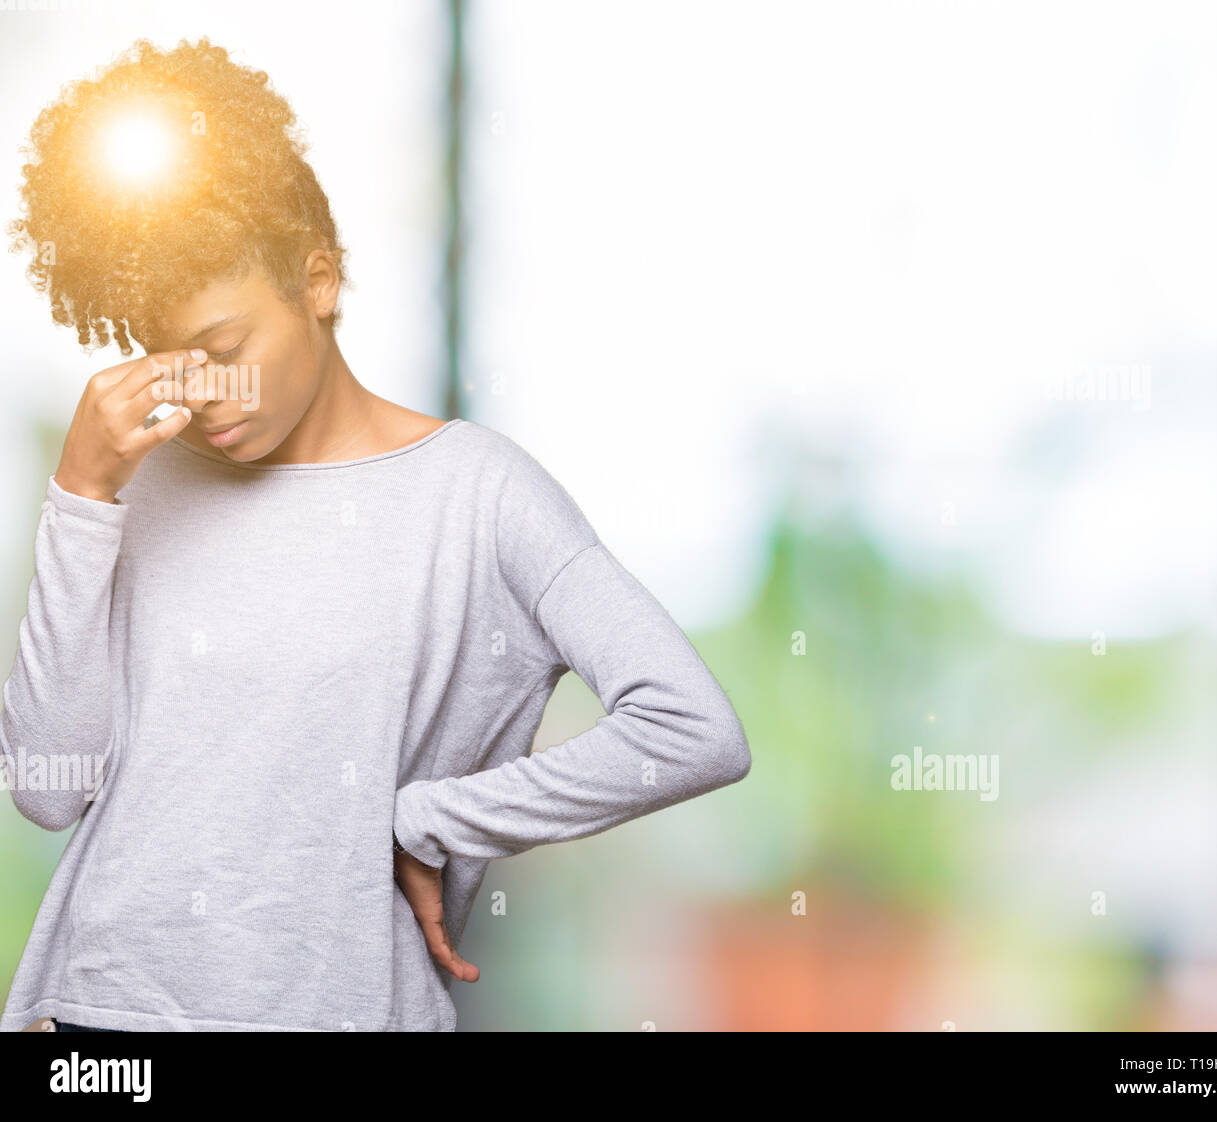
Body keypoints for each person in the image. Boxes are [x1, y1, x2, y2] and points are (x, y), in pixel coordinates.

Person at [0, 37, 750, 1032]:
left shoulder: (477, 497)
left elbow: (692, 730)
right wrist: (82, 496)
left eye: (223, 348)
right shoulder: (132, 485)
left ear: (318, 279)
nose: (202, 392)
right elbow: (49, 790)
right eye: (164, 359)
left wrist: (432, 818)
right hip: (102, 1025)